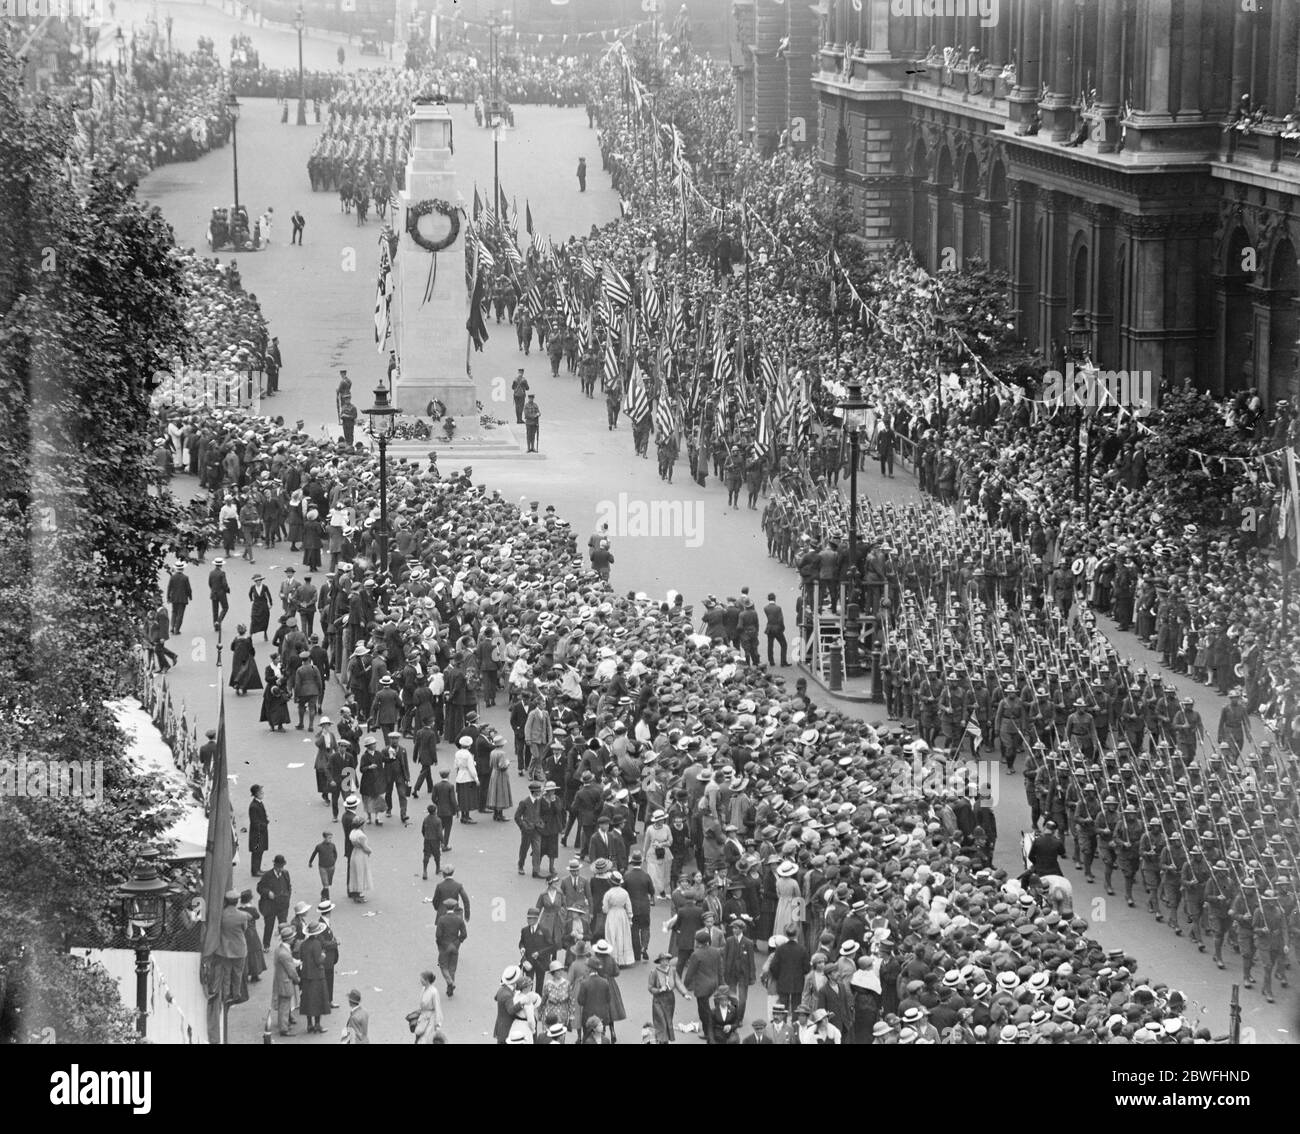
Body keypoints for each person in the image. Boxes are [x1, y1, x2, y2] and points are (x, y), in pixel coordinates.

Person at [298, 921, 330, 1033]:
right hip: (317, 976)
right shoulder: (316, 944)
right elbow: (318, 961)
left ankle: (309, 1024)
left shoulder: (304, 944)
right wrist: (323, 955)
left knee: (308, 1000)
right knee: (318, 1000)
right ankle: (317, 1024)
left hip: (306, 976)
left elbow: (301, 957)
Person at [435, 898, 468, 996]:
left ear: (445, 907)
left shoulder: (442, 919)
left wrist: (441, 944)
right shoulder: (459, 919)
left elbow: (438, 935)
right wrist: (458, 942)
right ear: (454, 907)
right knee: (452, 968)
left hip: (445, 946)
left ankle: (450, 982)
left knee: (443, 966)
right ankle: (450, 990)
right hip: (455, 946)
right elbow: (464, 934)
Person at [601, 870, 636, 966]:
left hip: (612, 914)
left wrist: (607, 910)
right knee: (622, 935)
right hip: (622, 915)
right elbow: (629, 907)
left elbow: (605, 908)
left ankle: (613, 960)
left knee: (612, 935)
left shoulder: (608, 894)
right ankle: (624, 960)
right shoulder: (625, 893)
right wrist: (630, 918)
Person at [271, 924, 300, 1036]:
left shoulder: (279, 949)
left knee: (284, 1004)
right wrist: (297, 979)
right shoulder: (285, 954)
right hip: (285, 982)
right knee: (284, 1005)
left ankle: (285, 1025)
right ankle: (284, 1028)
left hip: (280, 980)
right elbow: (291, 970)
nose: (293, 939)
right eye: (292, 937)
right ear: (288, 939)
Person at [414, 970, 444, 1044]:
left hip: (431, 1020)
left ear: (427, 980)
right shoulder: (424, 989)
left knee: (426, 1039)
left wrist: (438, 1024)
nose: (420, 981)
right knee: (420, 1037)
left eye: (422, 979)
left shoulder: (434, 992)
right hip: (423, 1017)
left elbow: (437, 1008)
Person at [347, 817, 373, 902]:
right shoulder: (361, 835)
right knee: (360, 873)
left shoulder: (352, 832)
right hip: (361, 854)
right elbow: (364, 847)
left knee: (355, 873)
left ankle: (355, 893)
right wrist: (370, 851)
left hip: (354, 852)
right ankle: (358, 895)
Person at [308, 831, 337, 900]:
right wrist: (310, 862)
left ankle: (323, 893)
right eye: (329, 838)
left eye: (331, 838)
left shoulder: (332, 845)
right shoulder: (319, 846)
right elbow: (314, 854)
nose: (330, 839)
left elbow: (335, 854)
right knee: (326, 883)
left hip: (331, 867)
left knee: (328, 883)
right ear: (324, 838)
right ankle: (326, 898)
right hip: (322, 867)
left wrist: (333, 861)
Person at [248, 785, 270, 876]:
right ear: (256, 794)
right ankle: (255, 870)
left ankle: (258, 868)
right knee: (257, 851)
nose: (262, 794)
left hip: (261, 832)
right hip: (257, 834)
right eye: (261, 792)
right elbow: (254, 821)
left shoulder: (259, 803)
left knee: (260, 851)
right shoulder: (254, 806)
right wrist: (263, 825)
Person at [167, 564, 192, 634]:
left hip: (174, 598)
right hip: (182, 598)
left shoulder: (172, 577)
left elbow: (169, 588)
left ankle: (172, 626)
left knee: (174, 612)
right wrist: (190, 596)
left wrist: (168, 597)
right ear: (183, 569)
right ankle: (176, 629)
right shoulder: (185, 578)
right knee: (180, 614)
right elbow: (188, 588)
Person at [421, 805, 444, 880]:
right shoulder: (438, 820)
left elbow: (423, 830)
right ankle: (437, 868)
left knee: (426, 855)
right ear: (435, 811)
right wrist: (442, 841)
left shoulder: (425, 819)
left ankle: (425, 871)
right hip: (435, 840)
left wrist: (425, 836)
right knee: (437, 855)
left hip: (427, 839)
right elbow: (440, 833)